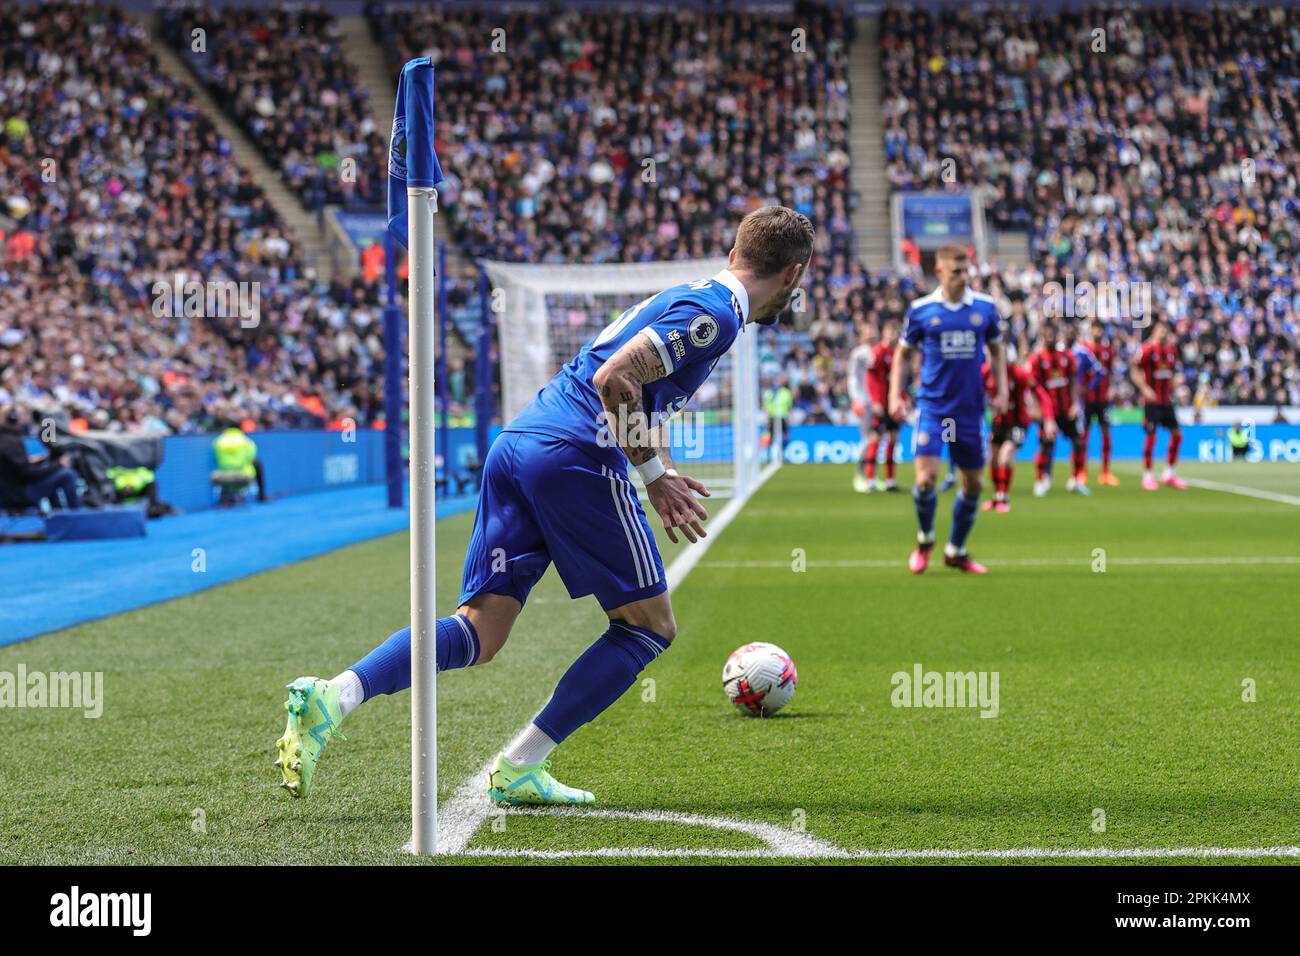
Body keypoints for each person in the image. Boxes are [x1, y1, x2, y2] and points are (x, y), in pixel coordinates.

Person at [275, 206, 816, 803]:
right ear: (793, 274)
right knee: (649, 627)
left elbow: (635, 390)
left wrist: (659, 457)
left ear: (735, 247)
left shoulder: (696, 293)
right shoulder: (717, 315)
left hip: (521, 443)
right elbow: (615, 380)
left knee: (479, 632)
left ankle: (337, 694)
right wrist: (655, 476)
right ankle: (521, 765)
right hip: (577, 454)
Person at [888, 244, 1007, 575]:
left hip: (969, 410)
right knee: (926, 480)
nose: (963, 276)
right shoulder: (922, 310)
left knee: (974, 486)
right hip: (934, 409)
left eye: (966, 270)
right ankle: (925, 539)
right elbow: (902, 354)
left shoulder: (984, 308)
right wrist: (895, 395)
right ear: (939, 272)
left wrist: (1003, 392)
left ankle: (956, 549)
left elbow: (997, 353)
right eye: (956, 271)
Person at [982, 358, 1049, 513]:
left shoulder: (1019, 373)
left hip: (1018, 423)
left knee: (1004, 457)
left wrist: (1048, 418)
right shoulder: (985, 372)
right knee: (993, 459)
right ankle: (996, 497)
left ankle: (1004, 497)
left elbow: (1040, 393)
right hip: (998, 422)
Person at [1029, 325, 1089, 497]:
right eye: (1046, 335)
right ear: (1042, 337)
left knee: (1078, 442)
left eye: (1052, 335)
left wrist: (1076, 403)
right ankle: (1041, 480)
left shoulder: (1067, 356)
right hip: (1048, 412)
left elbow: (1073, 382)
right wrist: (1037, 409)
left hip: (1066, 409)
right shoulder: (1037, 359)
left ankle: (1076, 480)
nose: (1050, 338)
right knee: (1046, 445)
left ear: (1057, 337)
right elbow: (1034, 387)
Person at [1133, 320, 1186, 490]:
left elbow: (1170, 373)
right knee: (1151, 436)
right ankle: (1147, 476)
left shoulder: (1171, 350)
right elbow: (1134, 369)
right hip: (1152, 402)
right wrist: (1144, 388)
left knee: (1177, 435)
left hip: (1167, 401)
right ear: (1154, 332)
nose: (1163, 333)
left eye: (1166, 331)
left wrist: (1176, 383)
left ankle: (1169, 474)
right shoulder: (1147, 349)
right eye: (1160, 330)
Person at [0, 404, 82, 511]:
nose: (28, 416)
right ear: (12, 418)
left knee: (53, 474)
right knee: (67, 474)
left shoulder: (12, 437)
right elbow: (30, 474)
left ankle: (56, 514)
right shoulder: (10, 441)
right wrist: (59, 464)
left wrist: (40, 460)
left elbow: (21, 466)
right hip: (19, 493)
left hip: (18, 486)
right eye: (23, 414)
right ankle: (77, 514)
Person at [1081, 319, 1119, 485]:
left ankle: (1105, 473)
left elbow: (1110, 372)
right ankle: (1081, 472)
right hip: (1087, 399)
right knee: (1083, 436)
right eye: (1095, 329)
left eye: (1100, 329)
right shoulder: (1084, 350)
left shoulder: (1108, 350)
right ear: (1091, 330)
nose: (1097, 332)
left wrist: (1112, 388)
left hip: (1103, 399)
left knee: (1106, 433)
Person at [211, 424, 269, 505]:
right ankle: (262, 496)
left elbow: (215, 457)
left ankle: (226, 495)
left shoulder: (218, 441)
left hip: (222, 474)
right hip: (243, 473)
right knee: (258, 463)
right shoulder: (246, 441)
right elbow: (251, 456)